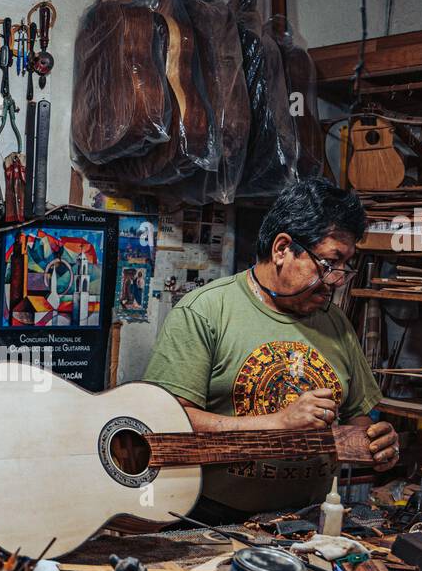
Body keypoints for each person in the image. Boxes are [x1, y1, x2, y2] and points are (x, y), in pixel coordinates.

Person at [142, 177, 399, 524]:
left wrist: (376, 442)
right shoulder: (205, 311)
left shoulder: (335, 323)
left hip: (310, 520)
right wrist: (277, 423)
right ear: (282, 249)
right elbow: (165, 421)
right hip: (215, 518)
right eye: (328, 263)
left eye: (345, 267)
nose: (337, 280)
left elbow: (359, 417)